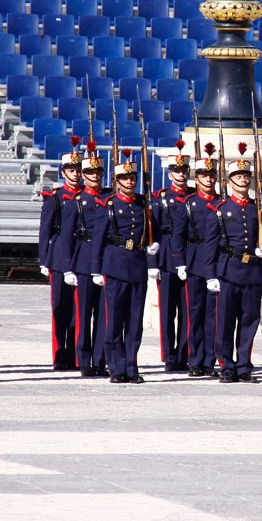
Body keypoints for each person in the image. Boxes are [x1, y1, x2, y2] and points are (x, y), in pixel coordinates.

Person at [201, 143, 262, 382]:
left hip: (252, 271)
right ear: (230, 181)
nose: (243, 180)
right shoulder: (220, 210)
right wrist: (211, 275)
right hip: (228, 271)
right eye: (238, 176)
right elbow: (210, 245)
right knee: (224, 323)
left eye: (246, 176)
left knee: (249, 321)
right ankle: (226, 366)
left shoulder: (258, 210)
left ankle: (244, 365)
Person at [91, 150, 158, 384]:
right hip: (115, 265)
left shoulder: (142, 205)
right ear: (117, 182)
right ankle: (116, 367)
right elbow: (98, 239)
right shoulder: (108, 205)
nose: (130, 182)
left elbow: (152, 233)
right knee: (114, 321)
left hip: (137, 266)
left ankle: (131, 366)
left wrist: (152, 250)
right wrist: (97, 269)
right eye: (125, 179)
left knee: (134, 322)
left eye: (133, 178)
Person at [59, 143, 110, 377]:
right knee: (83, 312)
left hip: (106, 261)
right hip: (83, 260)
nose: (94, 177)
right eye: (90, 173)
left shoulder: (109, 198)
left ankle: (100, 359)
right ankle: (84, 359)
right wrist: (68, 266)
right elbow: (67, 237)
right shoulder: (76, 200)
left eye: (98, 173)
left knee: (103, 313)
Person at [171, 143, 221, 378]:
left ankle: (210, 360)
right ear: (196, 178)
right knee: (194, 313)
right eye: (203, 175)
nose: (208, 179)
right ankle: (194, 360)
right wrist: (180, 262)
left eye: (212, 174)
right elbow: (178, 235)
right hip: (194, 260)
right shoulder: (188, 204)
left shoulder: (222, 203)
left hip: (217, 262)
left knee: (214, 314)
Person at [38, 136, 83, 371]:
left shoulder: (87, 196)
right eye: (70, 170)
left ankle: (76, 354)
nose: (75, 174)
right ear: (63, 172)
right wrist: (44, 258)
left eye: (78, 169)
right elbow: (45, 229)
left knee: (79, 308)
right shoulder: (55, 197)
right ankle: (59, 353)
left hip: (81, 253)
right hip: (58, 256)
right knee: (59, 307)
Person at [152, 141, 193, 372]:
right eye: (176, 171)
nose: (180, 174)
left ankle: (184, 353)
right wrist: (153, 262)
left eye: (184, 170)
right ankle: (169, 356)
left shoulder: (194, 198)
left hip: (190, 253)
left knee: (188, 309)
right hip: (166, 255)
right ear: (169, 174)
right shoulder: (161, 198)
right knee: (168, 310)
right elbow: (152, 231)